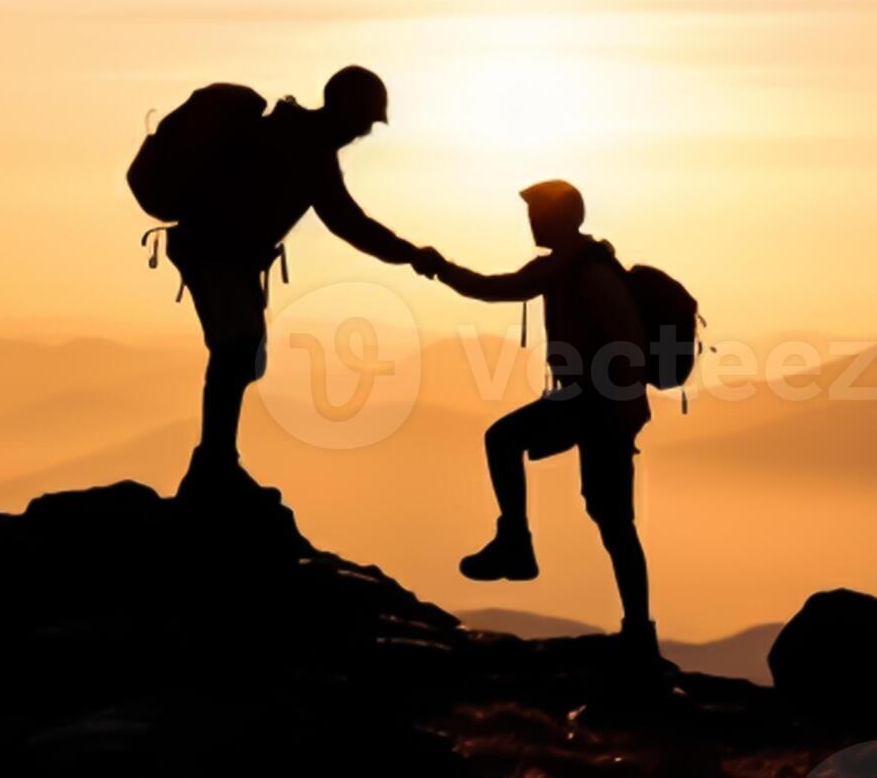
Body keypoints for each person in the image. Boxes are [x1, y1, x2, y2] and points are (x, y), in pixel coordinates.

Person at [166, 66, 443, 499]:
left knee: (242, 357)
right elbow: (348, 222)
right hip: (214, 254)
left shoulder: (296, 133)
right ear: (344, 108)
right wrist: (411, 254)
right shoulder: (307, 145)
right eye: (364, 122)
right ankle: (212, 465)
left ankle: (216, 460)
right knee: (236, 353)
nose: (363, 133)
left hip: (221, 255)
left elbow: (344, 220)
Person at [421, 179, 657, 657]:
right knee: (612, 518)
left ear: (559, 218)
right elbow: (501, 289)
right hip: (602, 404)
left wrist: (440, 268)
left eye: (537, 214)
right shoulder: (575, 265)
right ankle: (637, 631)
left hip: (596, 403)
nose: (530, 222)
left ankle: (517, 546)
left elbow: (497, 289)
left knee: (510, 444)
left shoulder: (582, 272)